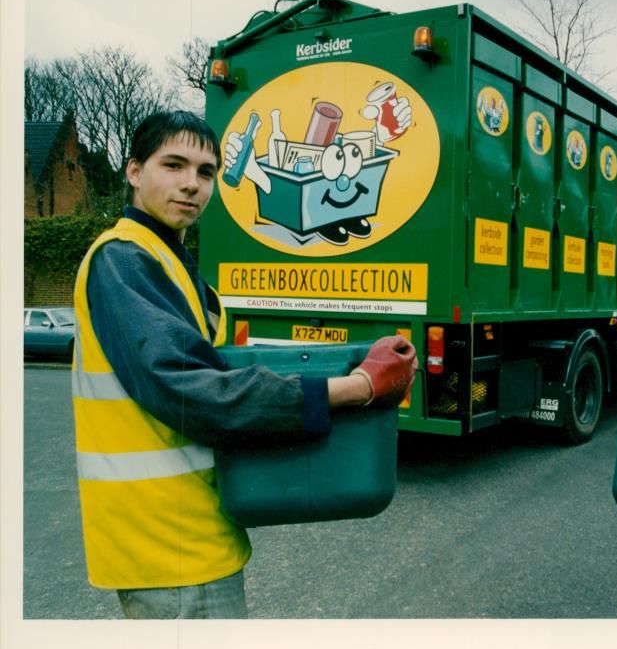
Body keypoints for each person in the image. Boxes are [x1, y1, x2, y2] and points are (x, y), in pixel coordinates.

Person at [72, 110, 418, 619]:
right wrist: (357, 387)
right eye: (174, 165)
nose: (192, 185)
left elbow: (223, 373)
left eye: (206, 172)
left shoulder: (170, 264)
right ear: (134, 171)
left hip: (190, 531)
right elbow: (196, 392)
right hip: (169, 547)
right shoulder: (124, 260)